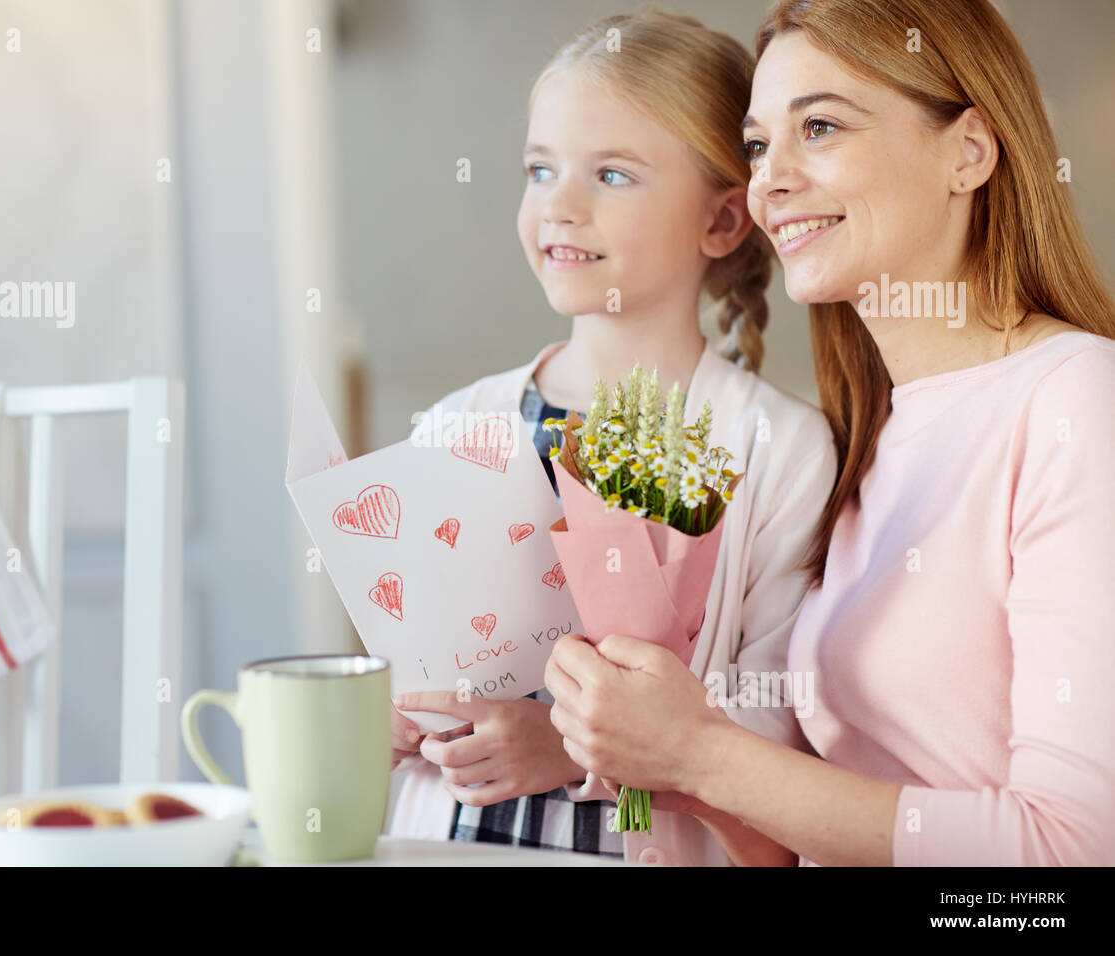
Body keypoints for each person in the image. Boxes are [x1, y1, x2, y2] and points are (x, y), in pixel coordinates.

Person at [546, 0, 1115, 866]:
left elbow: (1069, 855)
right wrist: (669, 753)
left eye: (820, 126)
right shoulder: (871, 438)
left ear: (969, 151)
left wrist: (701, 752)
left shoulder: (1074, 400)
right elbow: (792, 848)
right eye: (758, 144)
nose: (768, 179)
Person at [387, 6, 837, 866]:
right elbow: (415, 661)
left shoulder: (778, 450)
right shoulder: (454, 425)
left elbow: (777, 720)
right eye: (539, 169)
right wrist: (393, 716)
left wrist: (573, 748)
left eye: (614, 176)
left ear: (723, 221)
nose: (559, 205)